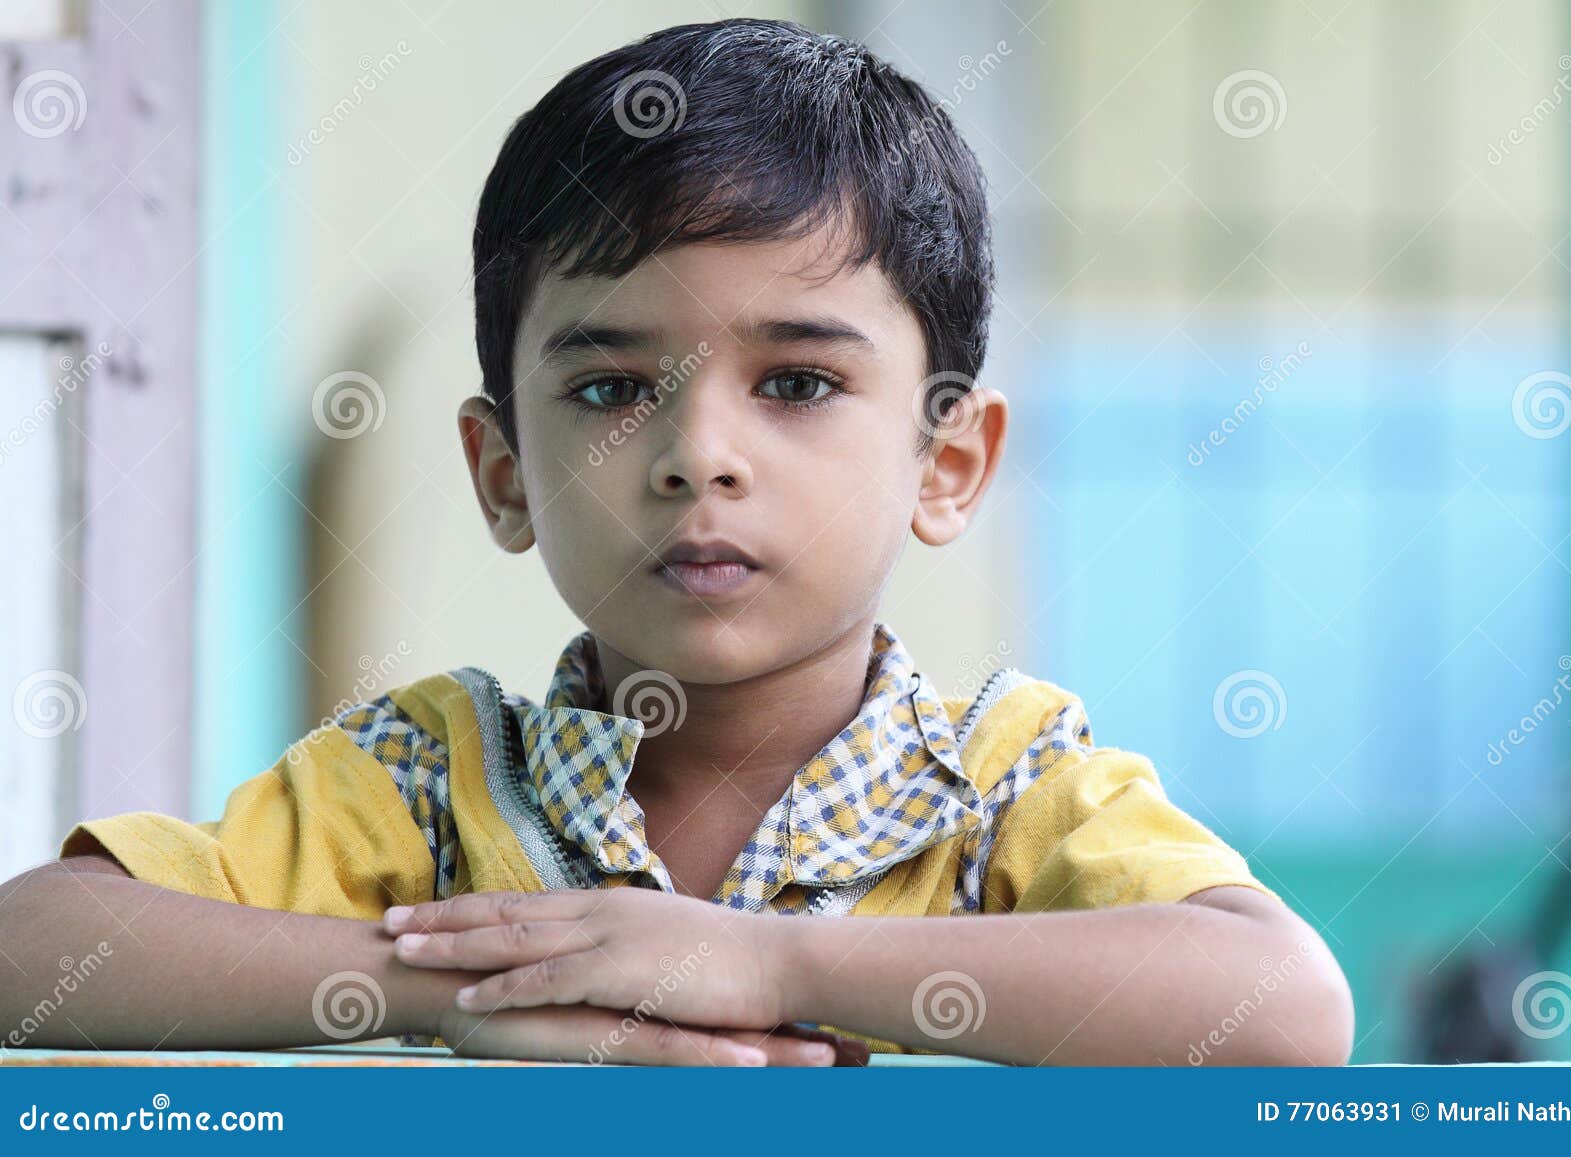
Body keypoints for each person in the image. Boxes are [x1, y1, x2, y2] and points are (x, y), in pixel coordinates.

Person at [0, 17, 1352, 1067]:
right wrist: (453, 986)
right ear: (505, 470)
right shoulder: (426, 785)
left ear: (946, 462)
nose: (696, 452)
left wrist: (763, 966)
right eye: (609, 386)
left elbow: (1283, 1006)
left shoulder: (1002, 796)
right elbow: (32, 950)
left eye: (799, 383)